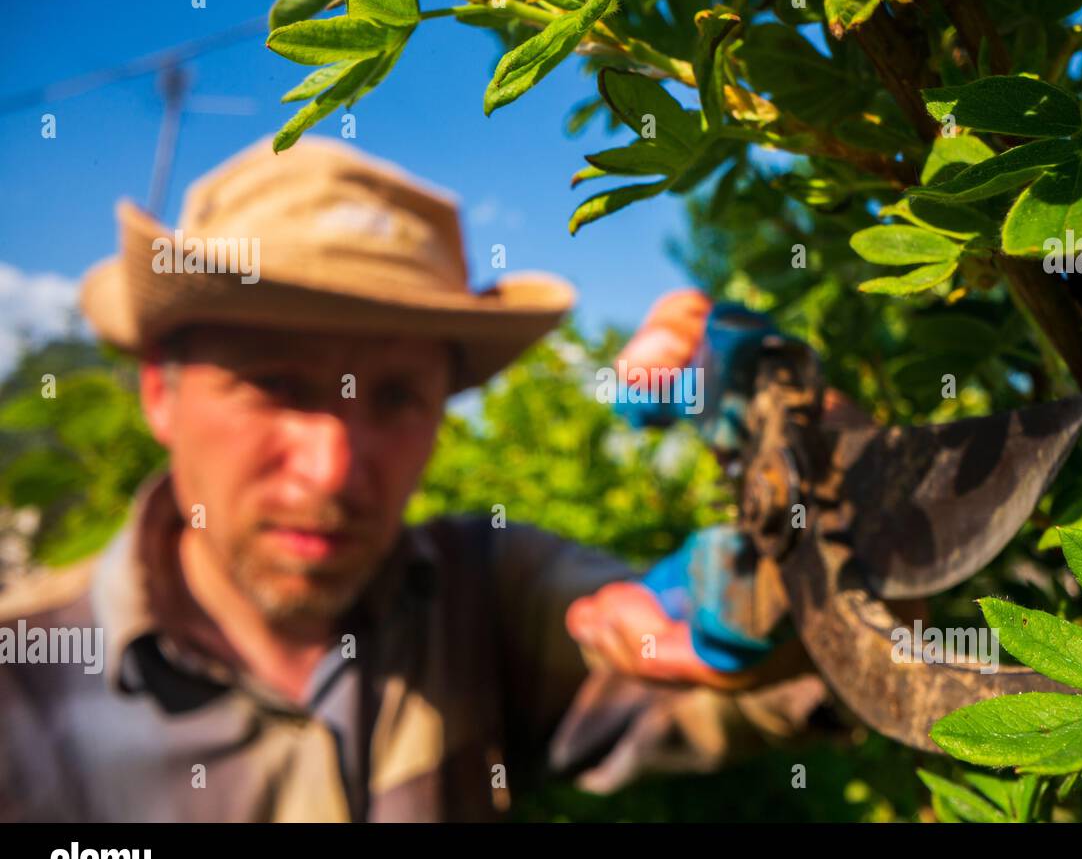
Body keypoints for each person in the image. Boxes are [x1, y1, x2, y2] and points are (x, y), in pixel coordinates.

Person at [0, 138, 829, 821]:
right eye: (277, 387)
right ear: (160, 391)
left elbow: (745, 680)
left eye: (396, 397)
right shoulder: (23, 686)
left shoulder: (484, 595)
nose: (333, 472)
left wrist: (810, 549)